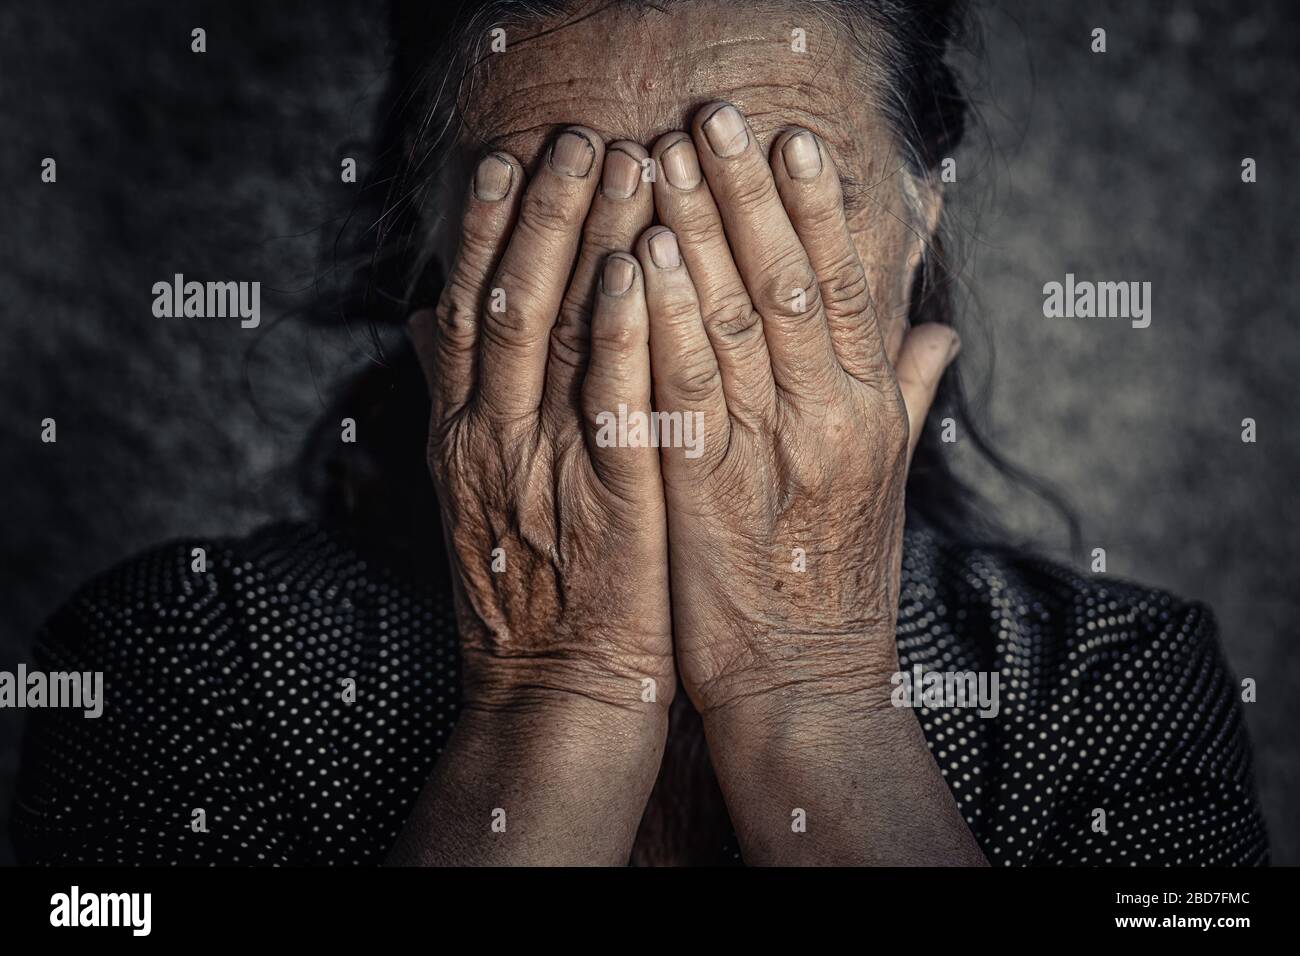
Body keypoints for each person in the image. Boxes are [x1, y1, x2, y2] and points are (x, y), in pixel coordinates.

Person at [11, 0, 1268, 866]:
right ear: (429, 240)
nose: (669, 297)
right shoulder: (184, 656)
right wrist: (559, 698)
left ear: (918, 213)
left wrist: (816, 700)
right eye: (571, 199)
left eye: (768, 197)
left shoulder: (1115, 679)